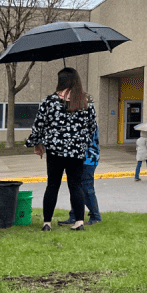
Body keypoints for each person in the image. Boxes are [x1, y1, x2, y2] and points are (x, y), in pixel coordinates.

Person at [26, 67, 98, 232]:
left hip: (55, 150)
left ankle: (47, 223)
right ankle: (79, 222)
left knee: (52, 185)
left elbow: (39, 125)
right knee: (75, 185)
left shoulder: (49, 100)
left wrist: (37, 143)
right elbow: (92, 126)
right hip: (76, 151)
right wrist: (81, 140)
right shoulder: (86, 101)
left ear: (60, 81)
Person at [62, 122, 102, 225]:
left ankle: (95, 216)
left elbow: (80, 139)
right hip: (78, 158)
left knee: (86, 187)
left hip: (88, 158)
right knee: (75, 187)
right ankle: (75, 215)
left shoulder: (88, 121)